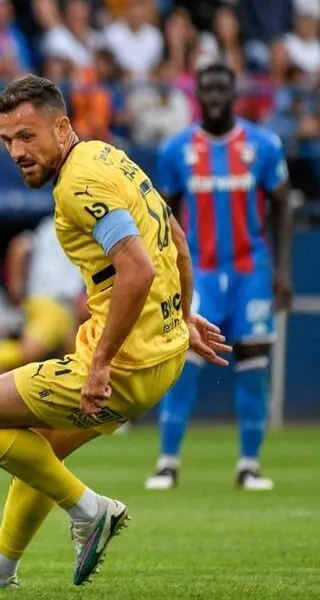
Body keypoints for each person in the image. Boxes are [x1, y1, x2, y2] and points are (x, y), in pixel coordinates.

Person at [0, 75, 229, 588]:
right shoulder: (109, 157)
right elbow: (173, 235)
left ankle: (90, 510)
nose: (17, 152)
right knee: (42, 449)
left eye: (27, 136)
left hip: (124, 364)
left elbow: (137, 270)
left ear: (62, 128)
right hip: (163, 355)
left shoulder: (77, 187)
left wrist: (101, 364)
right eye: (7, 140)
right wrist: (180, 314)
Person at [147, 63, 291, 491]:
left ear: (234, 94)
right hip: (200, 273)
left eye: (221, 89)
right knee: (185, 362)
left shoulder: (263, 145)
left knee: (253, 361)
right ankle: (167, 463)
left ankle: (249, 465)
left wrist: (282, 270)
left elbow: (282, 205)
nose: (213, 96)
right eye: (206, 88)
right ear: (197, 95)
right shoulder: (176, 150)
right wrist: (167, 275)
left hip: (252, 269)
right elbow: (163, 218)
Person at [0, 215, 84, 376]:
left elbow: (20, 247)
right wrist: (16, 287)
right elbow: (20, 246)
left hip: (64, 307)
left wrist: (16, 288)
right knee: (30, 351)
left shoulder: (61, 223)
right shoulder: (60, 224)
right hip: (51, 302)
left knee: (75, 362)